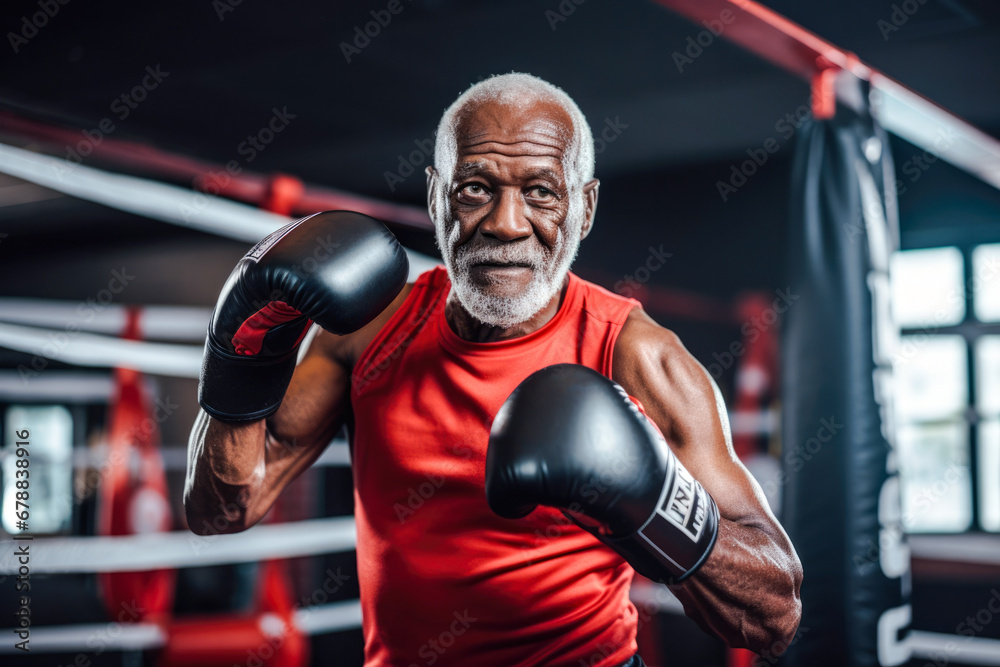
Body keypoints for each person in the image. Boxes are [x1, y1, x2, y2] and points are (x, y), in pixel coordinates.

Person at [185, 72, 802, 667]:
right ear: (435, 196)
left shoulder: (637, 356)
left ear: (583, 208)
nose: (506, 224)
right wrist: (240, 347)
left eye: (540, 191)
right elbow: (222, 510)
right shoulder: (370, 329)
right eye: (475, 188)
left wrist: (649, 505)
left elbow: (773, 618)